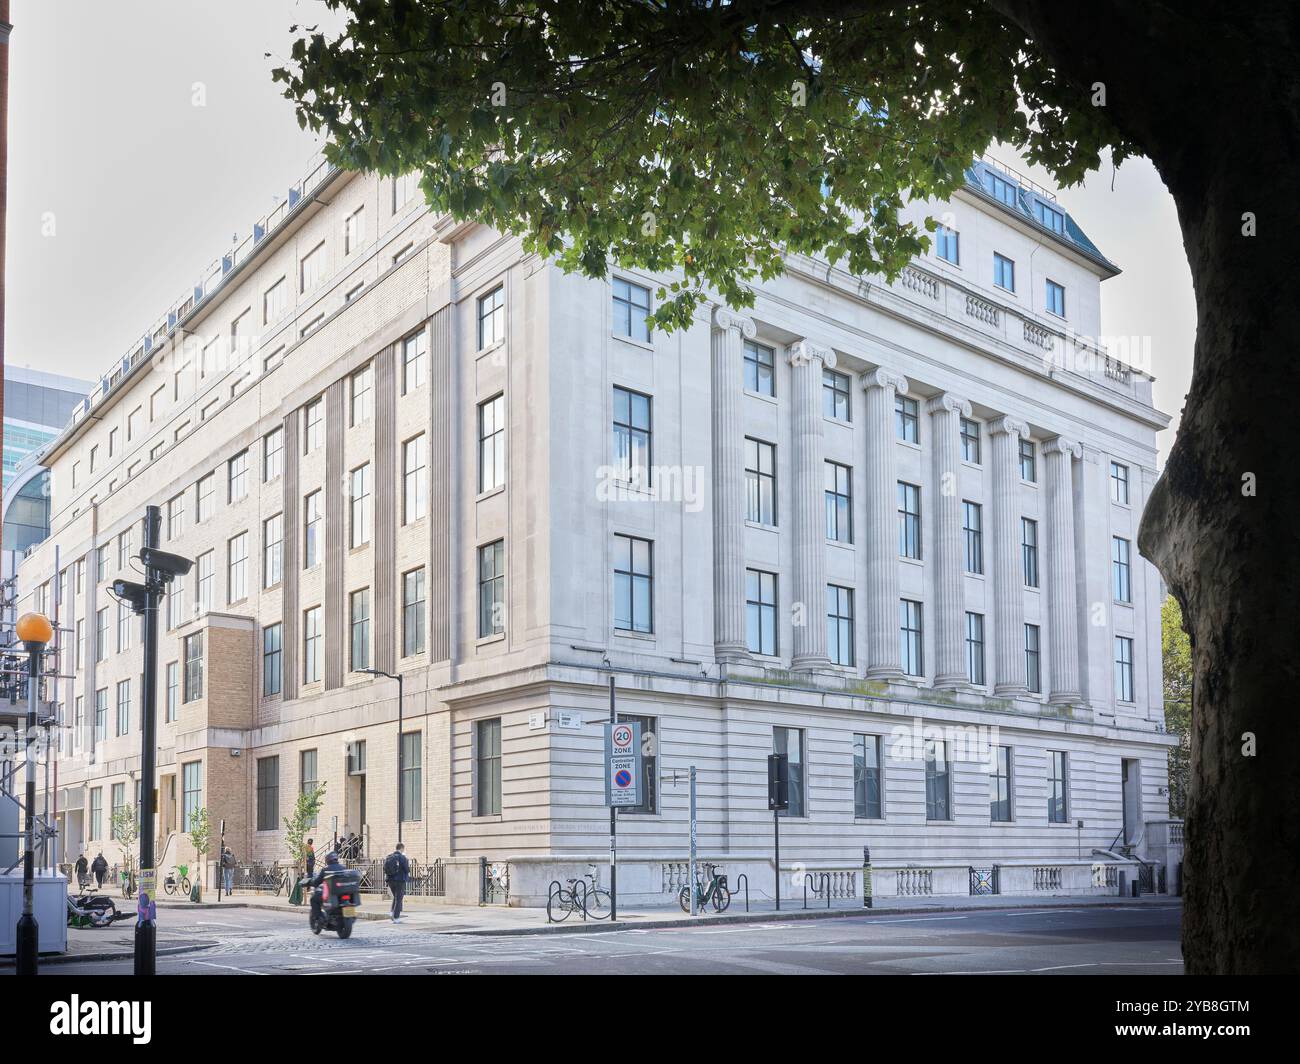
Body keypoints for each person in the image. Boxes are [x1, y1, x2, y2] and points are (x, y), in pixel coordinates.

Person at [307, 850, 343, 925]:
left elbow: (317, 881)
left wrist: (311, 882)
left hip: (331, 894)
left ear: (327, 859)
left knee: (313, 899)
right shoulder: (343, 868)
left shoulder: (326, 869)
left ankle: (318, 918)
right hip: (342, 893)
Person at [384, 842, 410, 922]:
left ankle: (392, 912)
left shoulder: (389, 857)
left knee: (395, 897)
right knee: (399, 899)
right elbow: (407, 869)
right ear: (402, 848)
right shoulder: (402, 857)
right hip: (399, 880)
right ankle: (396, 917)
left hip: (390, 880)